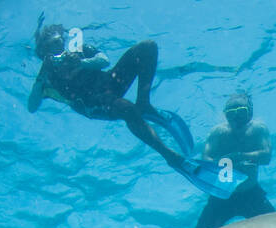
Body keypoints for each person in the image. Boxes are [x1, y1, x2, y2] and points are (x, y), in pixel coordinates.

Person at [27, 16, 185, 171]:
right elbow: (32, 106)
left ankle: (144, 103)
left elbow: (104, 60)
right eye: (51, 46)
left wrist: (82, 62)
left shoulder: (79, 50)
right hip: (92, 104)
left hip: (109, 82)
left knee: (147, 47)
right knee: (128, 109)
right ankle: (169, 156)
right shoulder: (47, 76)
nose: (58, 46)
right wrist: (41, 79)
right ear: (43, 52)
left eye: (59, 40)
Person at [194, 92, 274, 228]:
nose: (236, 118)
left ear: (250, 112)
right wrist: (227, 163)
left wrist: (239, 157)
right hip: (222, 195)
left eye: (241, 112)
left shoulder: (259, 130)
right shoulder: (218, 133)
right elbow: (205, 160)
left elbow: (266, 157)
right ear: (225, 115)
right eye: (231, 114)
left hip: (251, 193)